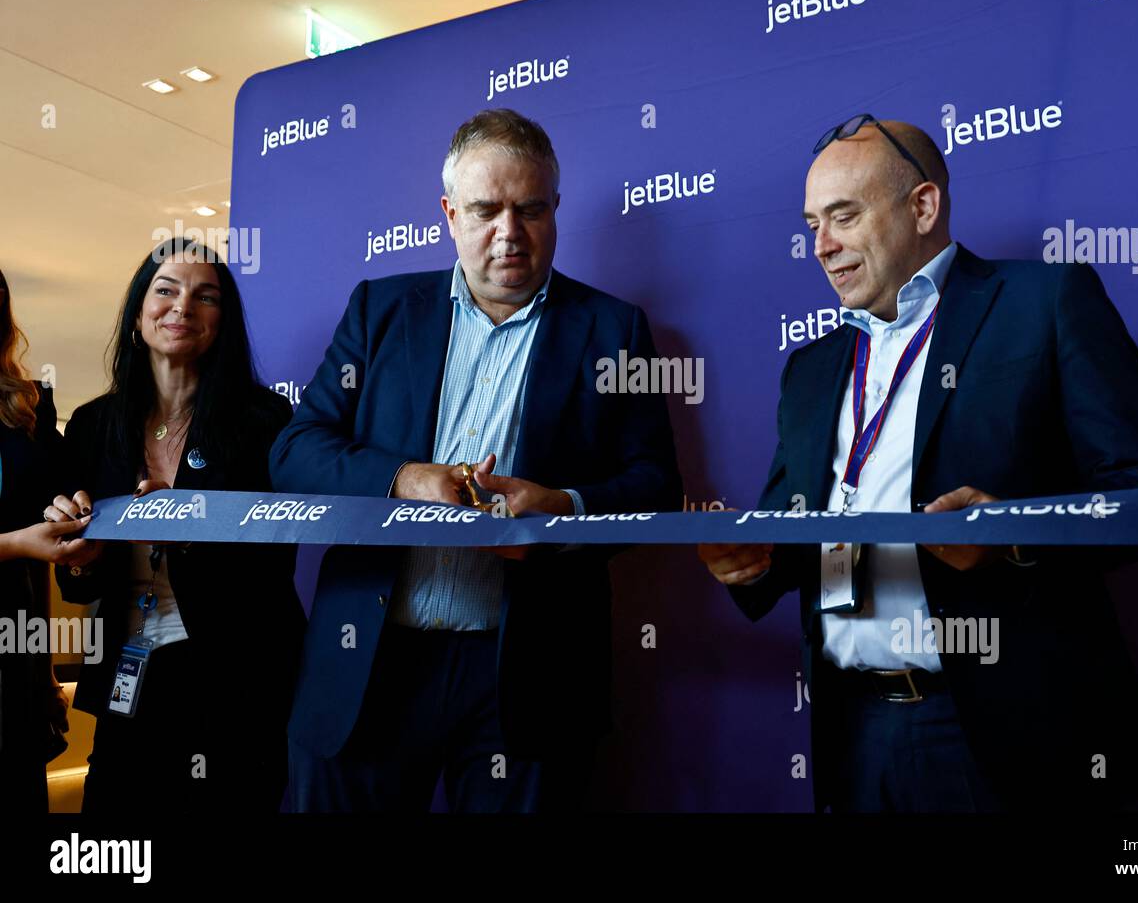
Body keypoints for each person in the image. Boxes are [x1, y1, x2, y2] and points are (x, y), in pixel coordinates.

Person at [698, 115, 1138, 811]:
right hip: (854, 730)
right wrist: (748, 557)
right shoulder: (810, 369)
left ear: (923, 206)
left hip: (1007, 731)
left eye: (843, 216)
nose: (822, 246)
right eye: (812, 224)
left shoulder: (1044, 302)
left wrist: (1012, 539)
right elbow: (791, 533)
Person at [271, 108, 681, 812]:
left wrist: (561, 510)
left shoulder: (615, 329)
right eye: (486, 210)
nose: (509, 233)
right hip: (370, 660)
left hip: (528, 673)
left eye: (531, 209)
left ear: (556, 209)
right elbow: (296, 451)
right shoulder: (379, 311)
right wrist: (405, 478)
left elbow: (655, 485)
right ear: (449, 213)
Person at [46, 238, 304, 812]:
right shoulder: (91, 425)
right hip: (128, 674)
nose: (182, 307)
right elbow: (79, 583)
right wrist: (77, 553)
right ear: (138, 315)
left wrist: (189, 527)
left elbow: (276, 556)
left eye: (205, 297)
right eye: (165, 290)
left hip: (235, 678)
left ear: (223, 323)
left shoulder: (265, 422)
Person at [0, 268, 92, 812]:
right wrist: (15, 545)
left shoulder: (25, 407)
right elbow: (25, 544)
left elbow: (43, 544)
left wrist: (46, 671)